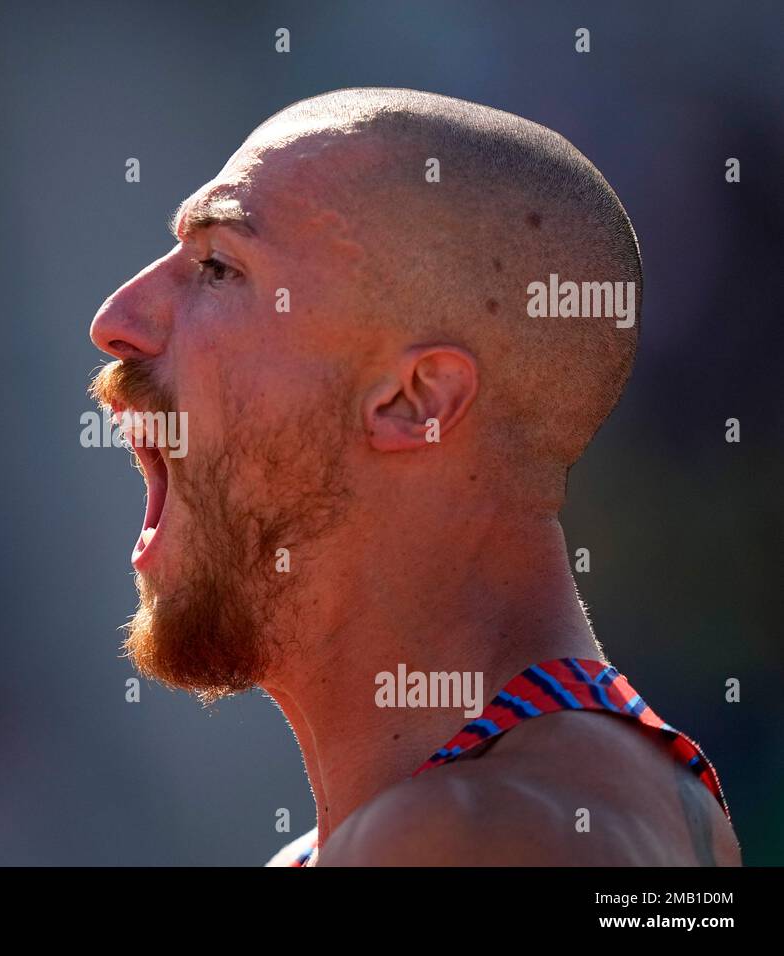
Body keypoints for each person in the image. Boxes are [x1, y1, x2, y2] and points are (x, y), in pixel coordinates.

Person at [87, 88, 739, 866]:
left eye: (219, 267)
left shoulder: (479, 836)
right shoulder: (549, 807)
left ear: (415, 400)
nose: (116, 318)